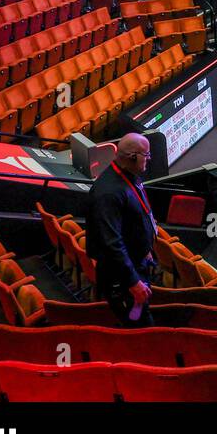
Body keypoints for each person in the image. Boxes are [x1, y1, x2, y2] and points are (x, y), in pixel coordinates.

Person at [85, 133, 157, 328]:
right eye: (146, 155)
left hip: (135, 262)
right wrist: (133, 282)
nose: (149, 159)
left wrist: (145, 248)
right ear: (133, 157)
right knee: (141, 328)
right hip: (122, 277)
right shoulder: (109, 193)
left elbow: (133, 219)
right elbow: (111, 243)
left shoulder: (127, 176)